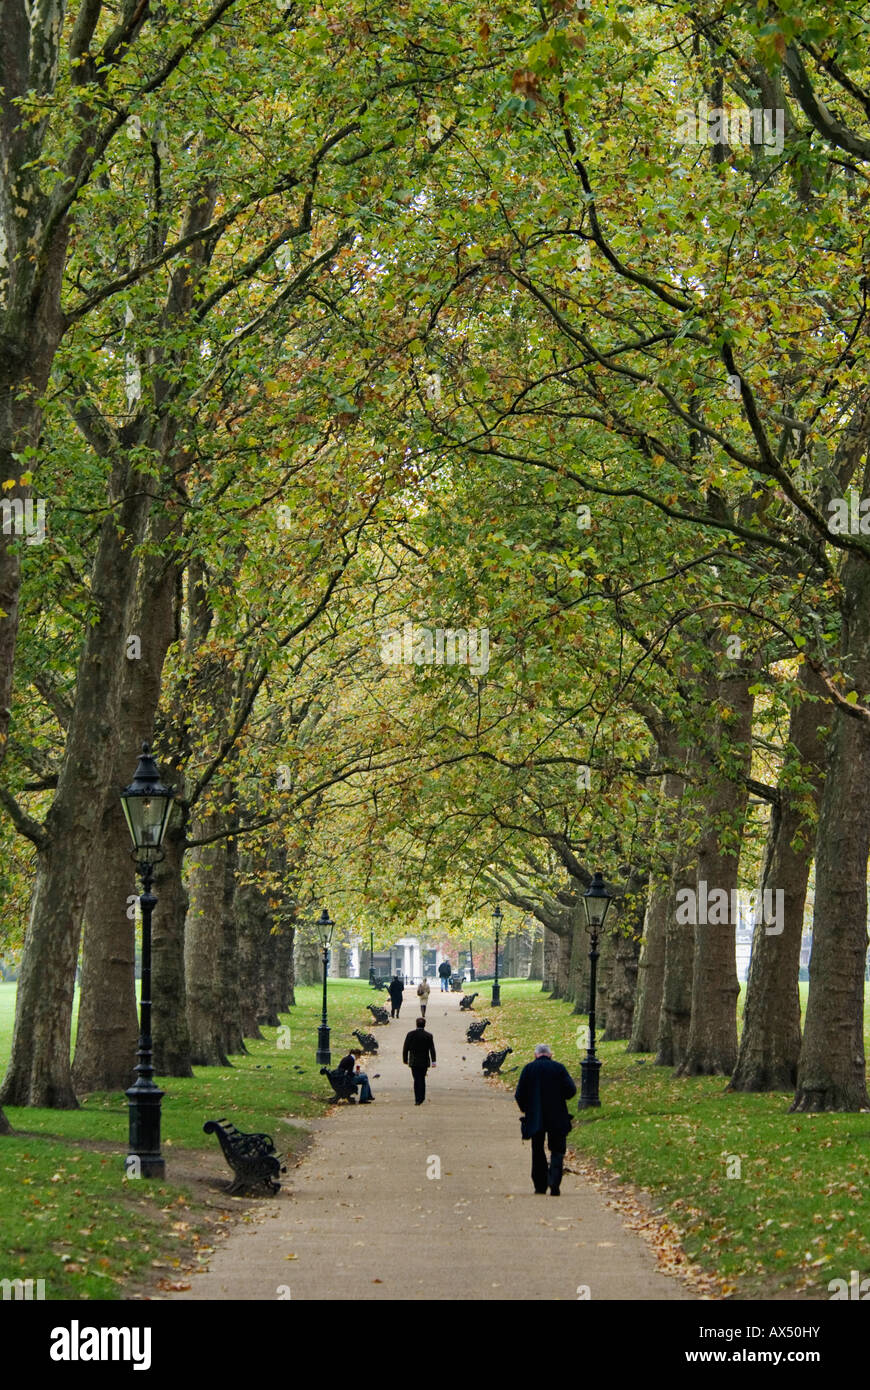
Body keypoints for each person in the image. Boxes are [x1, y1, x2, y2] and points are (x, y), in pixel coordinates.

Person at [514, 1043, 576, 1195]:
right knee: (557, 1149)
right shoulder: (559, 1068)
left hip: (536, 1115)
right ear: (550, 1055)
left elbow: (519, 1094)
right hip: (557, 1114)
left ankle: (540, 1184)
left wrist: (526, 1108)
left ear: (535, 1055)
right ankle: (554, 1181)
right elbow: (571, 1090)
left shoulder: (528, 1069)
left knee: (537, 1149)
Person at [402, 1017, 436, 1104]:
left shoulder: (410, 1034)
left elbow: (405, 1048)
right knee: (422, 1078)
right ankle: (422, 1096)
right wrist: (433, 1061)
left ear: (416, 1024)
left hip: (414, 1061)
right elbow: (432, 1049)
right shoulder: (428, 1035)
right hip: (424, 1061)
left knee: (416, 1079)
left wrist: (405, 1059)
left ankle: (417, 1098)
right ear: (424, 1025)